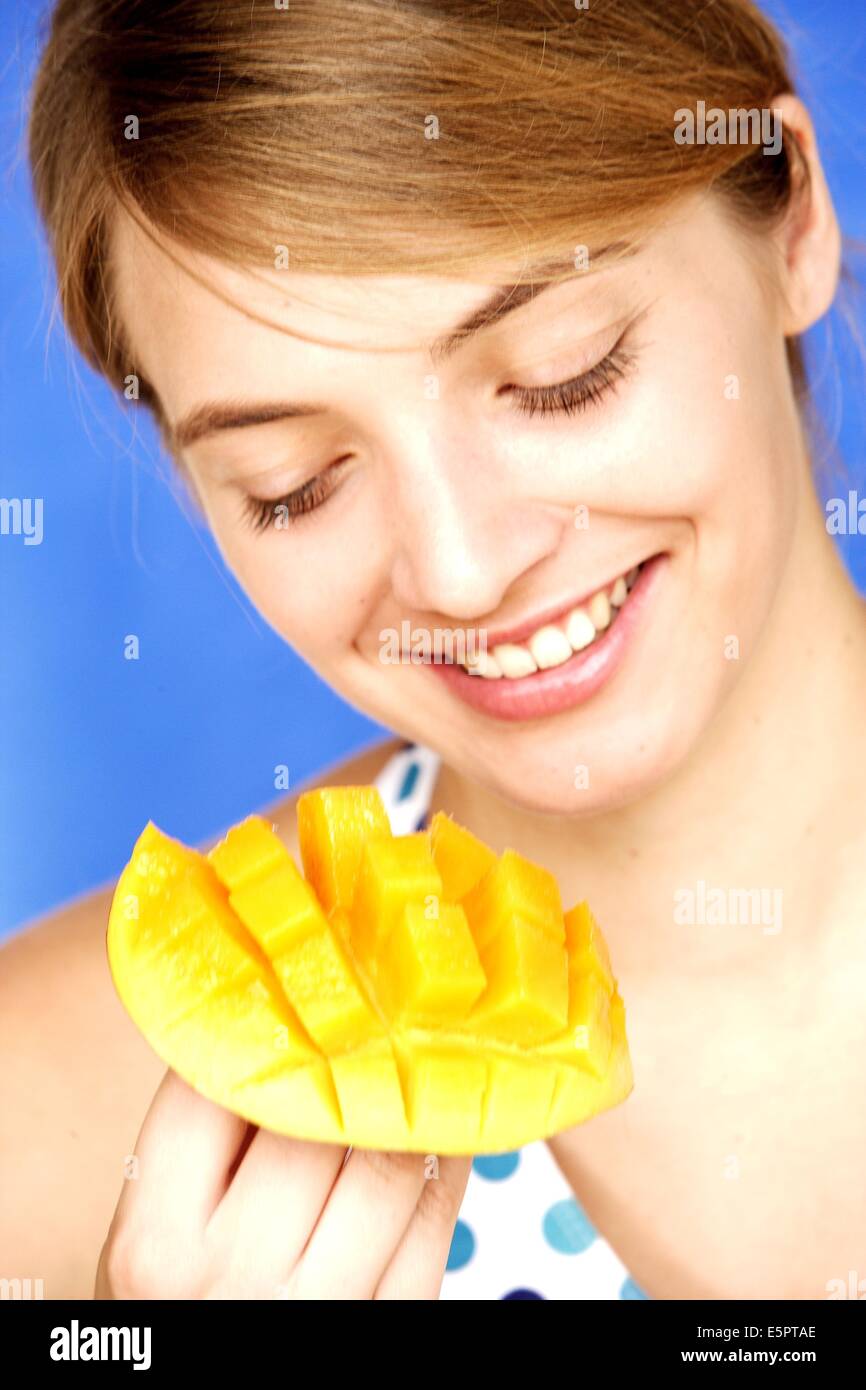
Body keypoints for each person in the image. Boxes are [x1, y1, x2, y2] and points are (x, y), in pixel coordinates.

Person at [5, 0, 864, 1299]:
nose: (461, 568)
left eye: (565, 375)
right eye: (293, 482)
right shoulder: (48, 1118)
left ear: (791, 213)